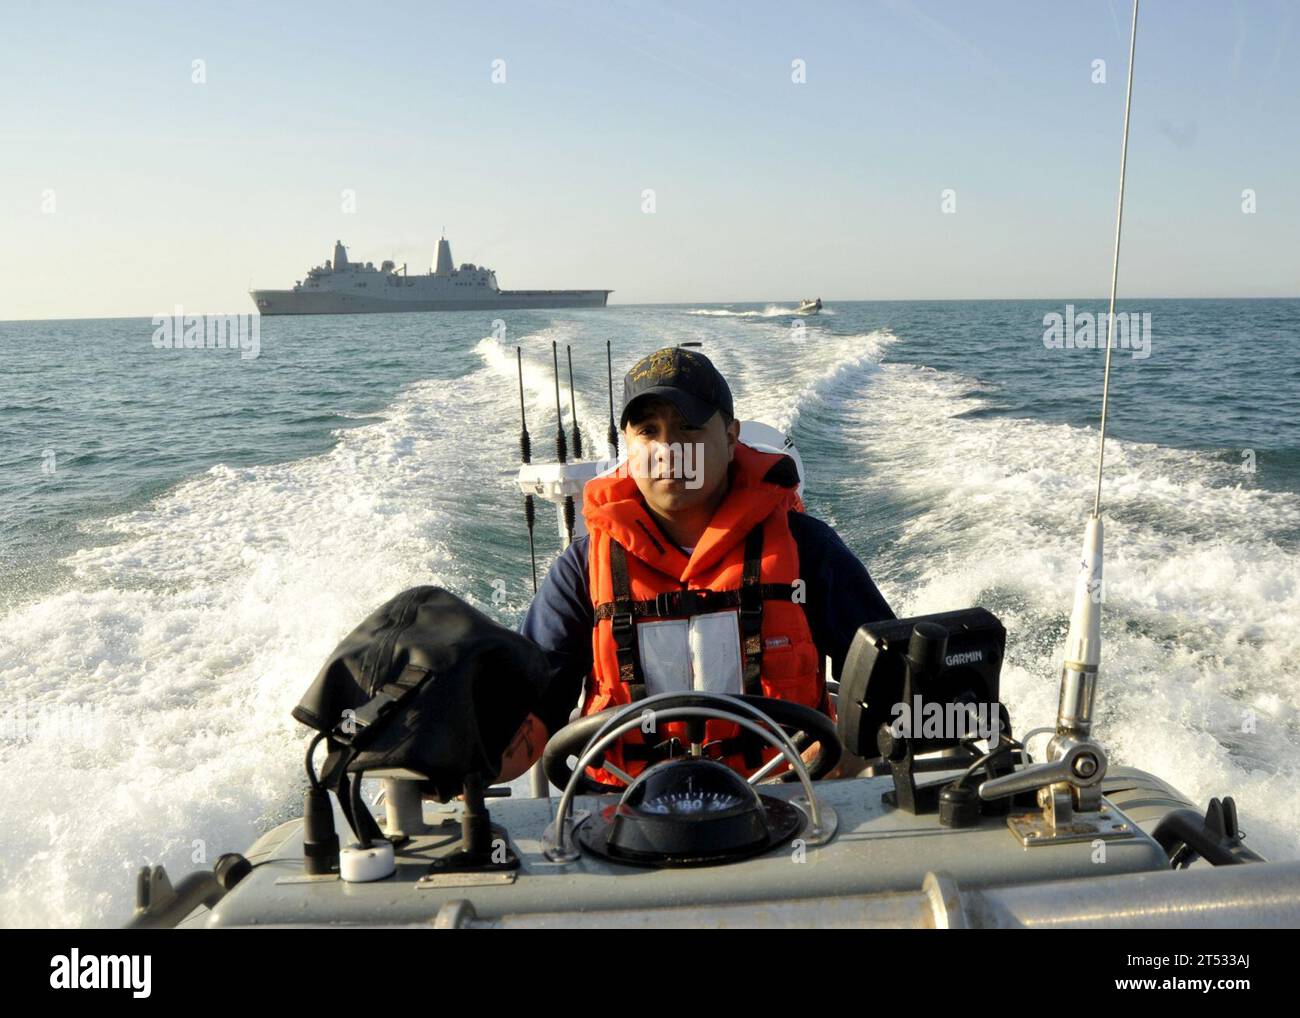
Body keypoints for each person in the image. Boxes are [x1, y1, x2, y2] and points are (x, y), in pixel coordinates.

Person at [500, 346, 895, 786]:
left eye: (687, 428)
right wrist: (467, 757)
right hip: (620, 825)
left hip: (790, 813)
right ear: (628, 447)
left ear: (730, 438)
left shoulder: (808, 548)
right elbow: (528, 721)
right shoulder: (580, 570)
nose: (667, 449)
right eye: (648, 431)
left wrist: (847, 754)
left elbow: (893, 690)